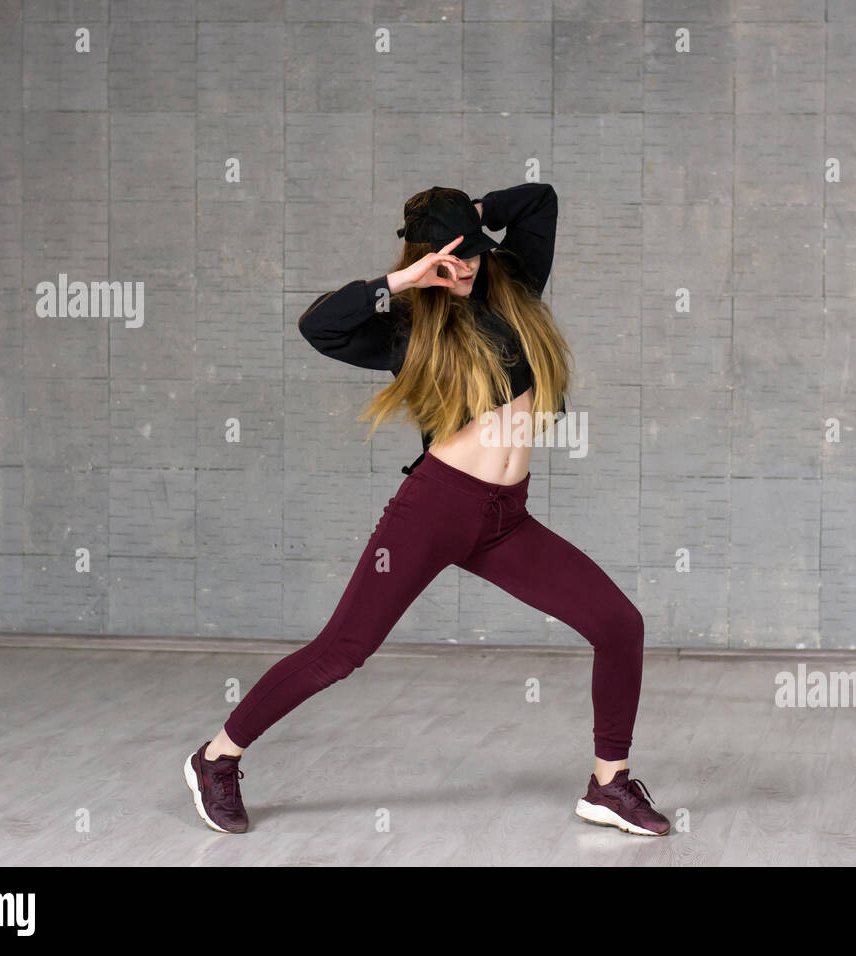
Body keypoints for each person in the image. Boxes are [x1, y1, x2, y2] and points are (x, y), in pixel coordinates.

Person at [183, 183, 669, 838]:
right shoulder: (408, 327)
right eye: (448, 260)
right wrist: (403, 277)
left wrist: (473, 215)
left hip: (505, 521)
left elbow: (541, 200)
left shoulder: (516, 283)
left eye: (469, 254)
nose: (463, 269)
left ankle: (608, 785)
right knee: (342, 651)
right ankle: (217, 757)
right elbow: (317, 326)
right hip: (436, 509)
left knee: (619, 624)